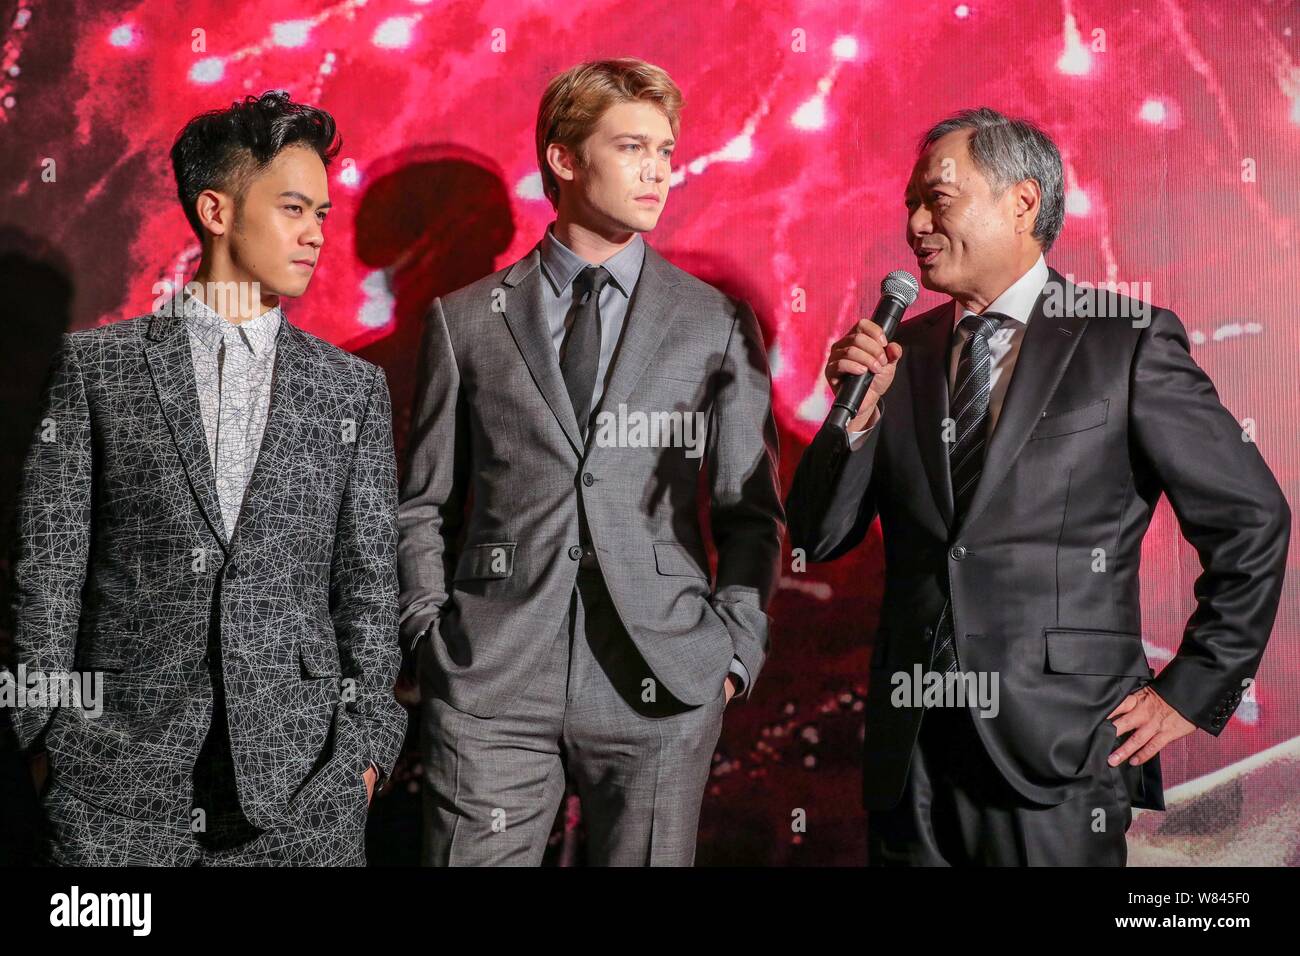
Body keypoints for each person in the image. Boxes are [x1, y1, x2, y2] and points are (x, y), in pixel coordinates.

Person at [785, 107, 1290, 866]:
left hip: (1061, 752)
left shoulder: (1126, 341)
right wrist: (856, 416)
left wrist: (1193, 689)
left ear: (1022, 203)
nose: (917, 224)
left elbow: (1254, 520)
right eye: (910, 206)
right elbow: (819, 535)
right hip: (912, 755)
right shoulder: (904, 354)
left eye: (939, 200)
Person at [398, 58, 784, 865]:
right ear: (564, 158)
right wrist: (431, 637)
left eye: (667, 151)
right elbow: (423, 505)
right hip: (491, 681)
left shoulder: (713, 322)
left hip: (662, 680)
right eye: (633, 147)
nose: (659, 172)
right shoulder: (465, 321)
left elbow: (751, 512)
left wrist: (733, 653)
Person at [7, 90, 407, 865]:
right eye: (294, 208)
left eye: (322, 214)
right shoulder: (98, 369)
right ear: (216, 211)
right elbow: (49, 569)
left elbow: (368, 589)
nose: (315, 235)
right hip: (113, 788)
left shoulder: (348, 389)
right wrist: (43, 739)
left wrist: (361, 759)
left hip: (303, 797)